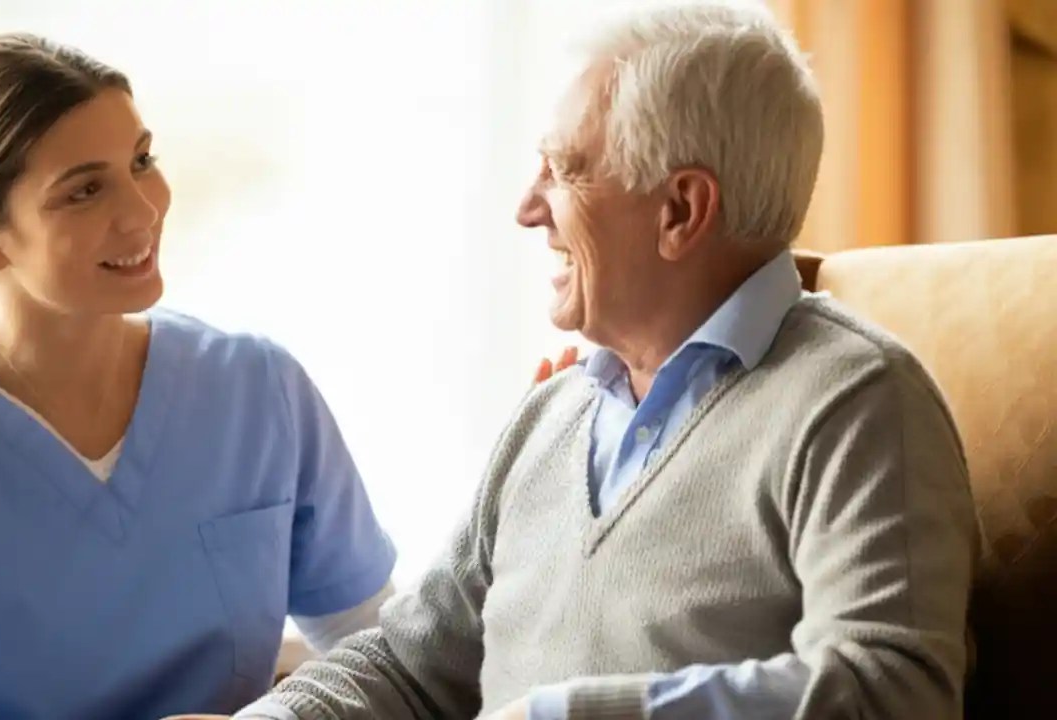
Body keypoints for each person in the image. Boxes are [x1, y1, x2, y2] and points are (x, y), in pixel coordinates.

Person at [234, 2, 979, 719]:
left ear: (681, 210)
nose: (528, 208)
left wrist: (566, 716)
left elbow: (894, 693)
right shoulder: (552, 414)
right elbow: (412, 668)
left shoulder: (858, 402)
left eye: (563, 169)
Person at [0, 34, 399, 720]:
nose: (143, 211)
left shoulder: (256, 390)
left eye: (141, 161)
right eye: (85, 190)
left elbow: (380, 649)